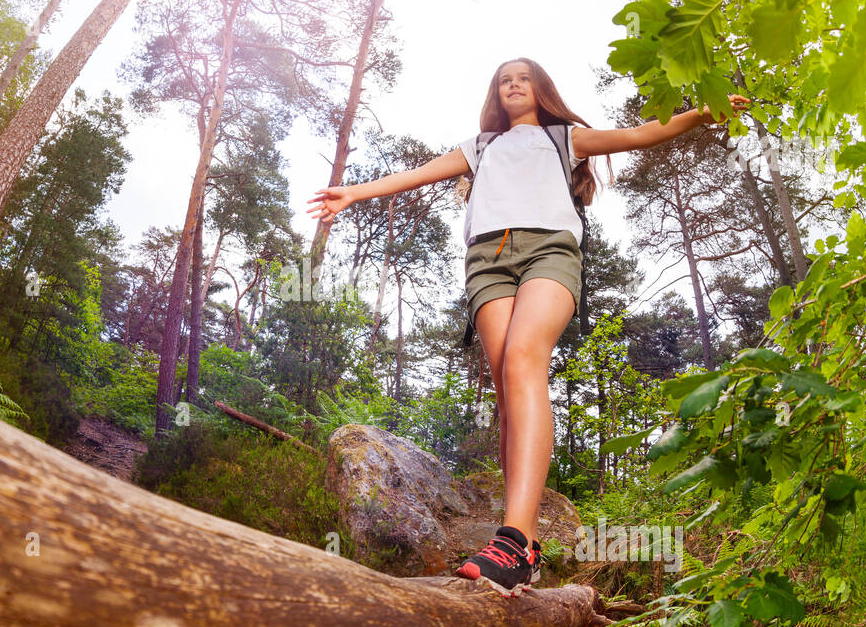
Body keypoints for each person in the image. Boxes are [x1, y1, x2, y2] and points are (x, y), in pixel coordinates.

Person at [308, 57, 749, 596]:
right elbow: (418, 172)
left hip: (550, 250)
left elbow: (641, 134)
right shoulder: (481, 146)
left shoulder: (566, 138)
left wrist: (700, 115)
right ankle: (526, 548)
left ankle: (513, 538)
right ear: (497, 94)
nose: (513, 85)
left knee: (523, 360)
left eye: (523, 78)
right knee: (506, 385)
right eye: (503, 80)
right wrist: (354, 192)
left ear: (541, 89)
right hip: (487, 258)